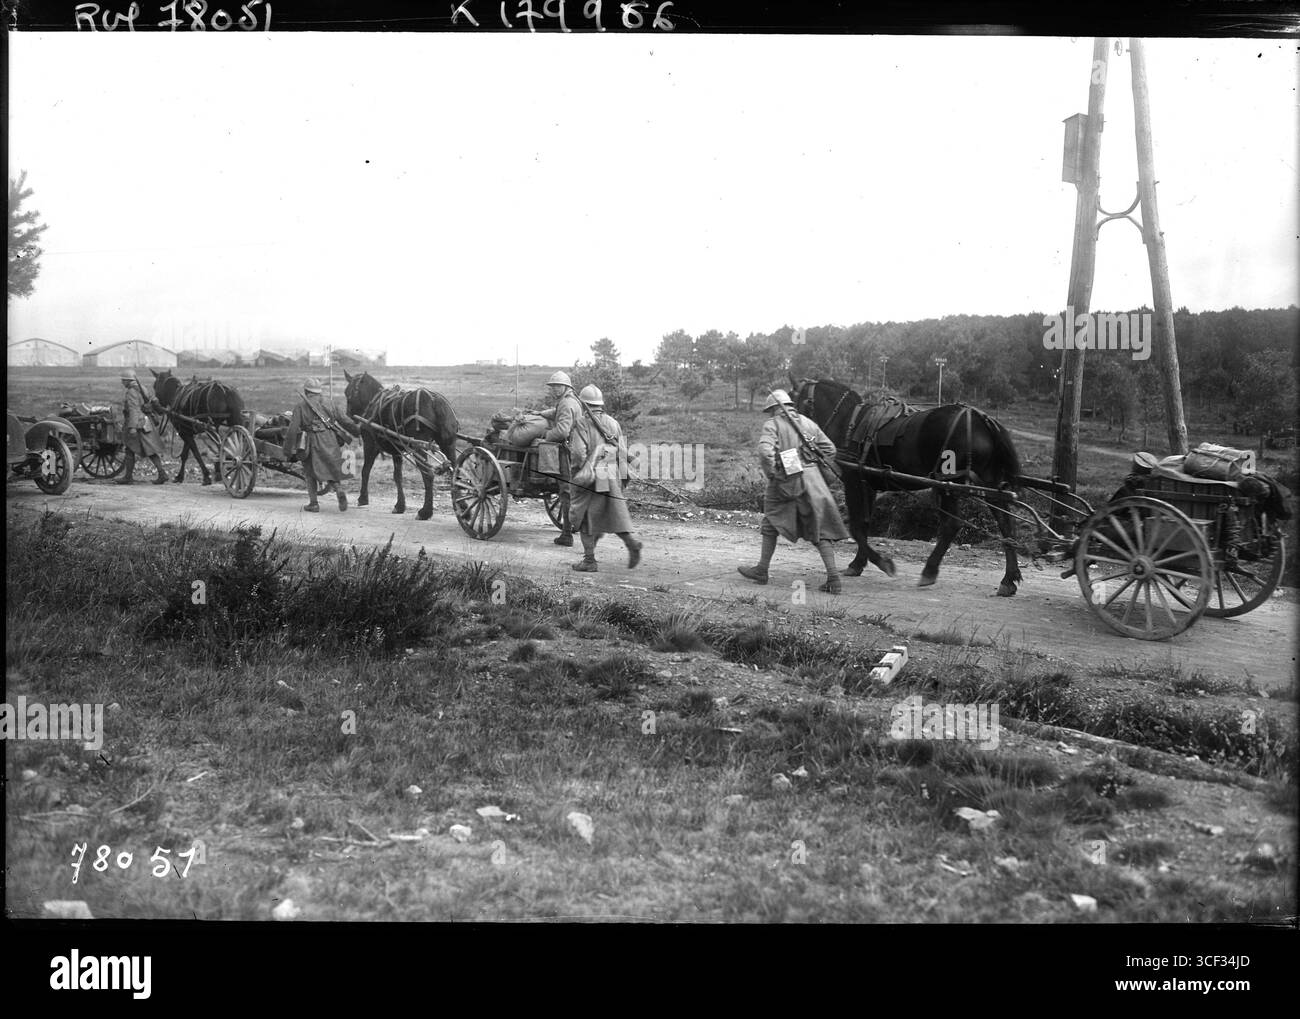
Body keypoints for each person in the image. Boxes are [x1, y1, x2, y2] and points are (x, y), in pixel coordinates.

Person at [738, 389, 850, 594]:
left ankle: (762, 570)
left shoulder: (772, 424)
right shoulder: (808, 423)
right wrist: (810, 461)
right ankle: (833, 578)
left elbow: (765, 452)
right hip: (815, 482)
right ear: (790, 405)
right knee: (819, 529)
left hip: (787, 482)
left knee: (771, 520)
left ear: (773, 409)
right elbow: (830, 450)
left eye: (770, 411)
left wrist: (773, 473)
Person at [567, 385, 642, 572]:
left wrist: (582, 472)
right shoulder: (613, 422)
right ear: (600, 404)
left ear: (584, 404)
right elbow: (622, 450)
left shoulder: (581, 423)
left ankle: (589, 561)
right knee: (612, 513)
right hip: (611, 474)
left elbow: (577, 453)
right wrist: (624, 479)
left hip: (592, 476)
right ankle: (631, 543)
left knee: (584, 517)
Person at [283, 378, 352, 513]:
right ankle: (338, 489)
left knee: (310, 472)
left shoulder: (300, 406)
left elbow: (292, 430)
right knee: (331, 467)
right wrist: (356, 430)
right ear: (319, 391)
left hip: (312, 440)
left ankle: (314, 503)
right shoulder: (330, 402)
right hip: (331, 439)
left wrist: (287, 450)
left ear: (306, 391)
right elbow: (343, 419)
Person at [538, 370, 584, 546]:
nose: (554, 389)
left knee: (565, 491)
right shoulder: (571, 401)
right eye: (553, 386)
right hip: (577, 450)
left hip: (566, 452)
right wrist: (543, 413)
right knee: (571, 490)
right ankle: (576, 524)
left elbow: (562, 430)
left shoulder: (566, 403)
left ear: (565, 387)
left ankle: (567, 535)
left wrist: (546, 435)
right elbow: (558, 412)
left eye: (557, 386)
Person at [114, 371, 167, 485]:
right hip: (145, 422)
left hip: (138, 424)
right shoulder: (143, 388)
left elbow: (134, 410)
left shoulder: (131, 392)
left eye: (123, 380)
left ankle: (128, 477)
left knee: (129, 448)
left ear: (128, 381)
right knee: (150, 450)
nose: (122, 382)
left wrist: (132, 427)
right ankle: (162, 474)